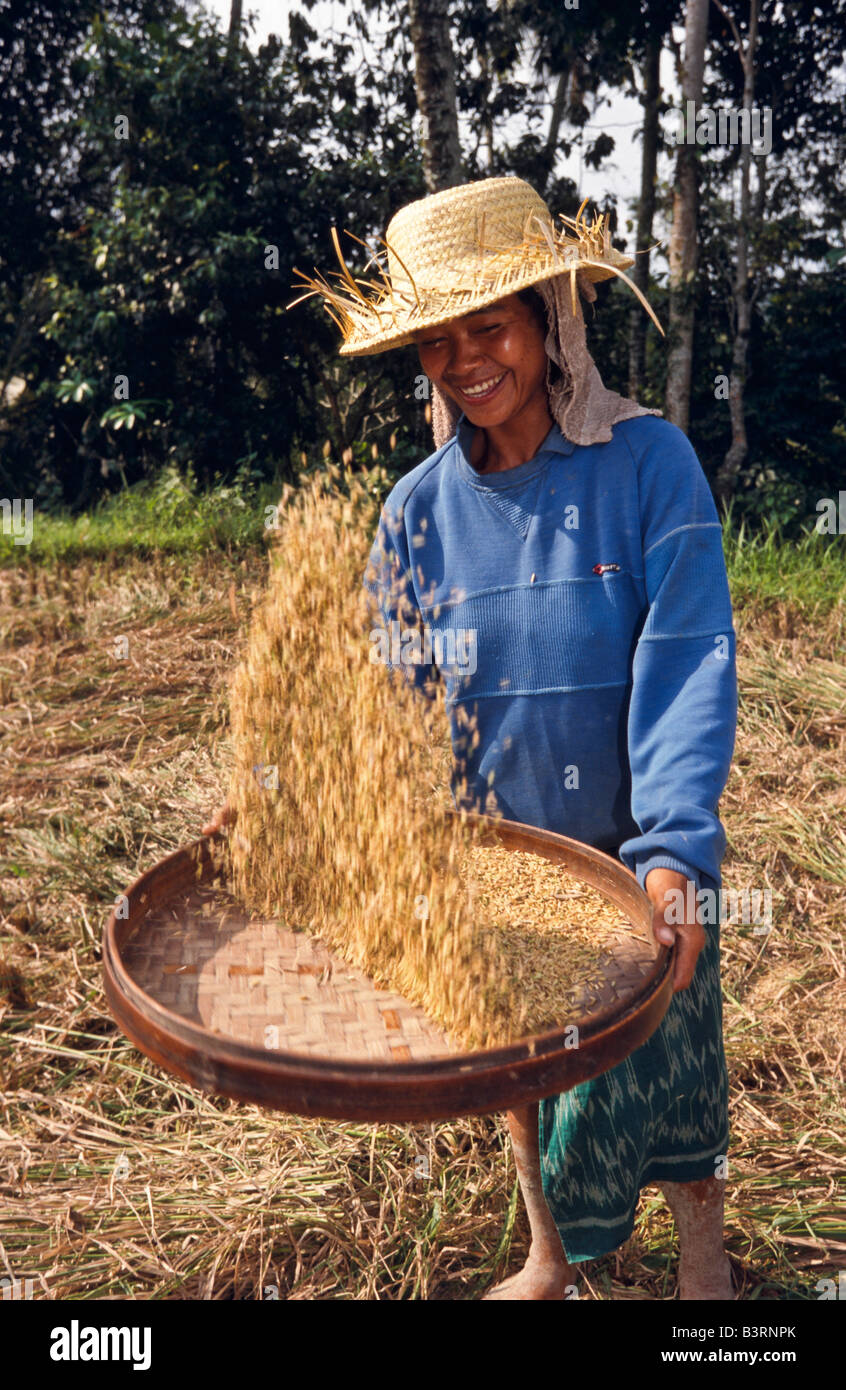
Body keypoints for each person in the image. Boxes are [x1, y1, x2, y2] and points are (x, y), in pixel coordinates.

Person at [210, 176, 738, 1300]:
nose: (464, 361)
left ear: (552, 317)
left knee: (676, 1075)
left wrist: (678, 848)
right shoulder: (413, 509)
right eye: (437, 342)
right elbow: (381, 692)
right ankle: (549, 1252)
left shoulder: (648, 467)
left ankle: (706, 1261)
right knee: (523, 1077)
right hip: (495, 860)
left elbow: (688, 656)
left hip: (636, 857)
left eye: (487, 326)